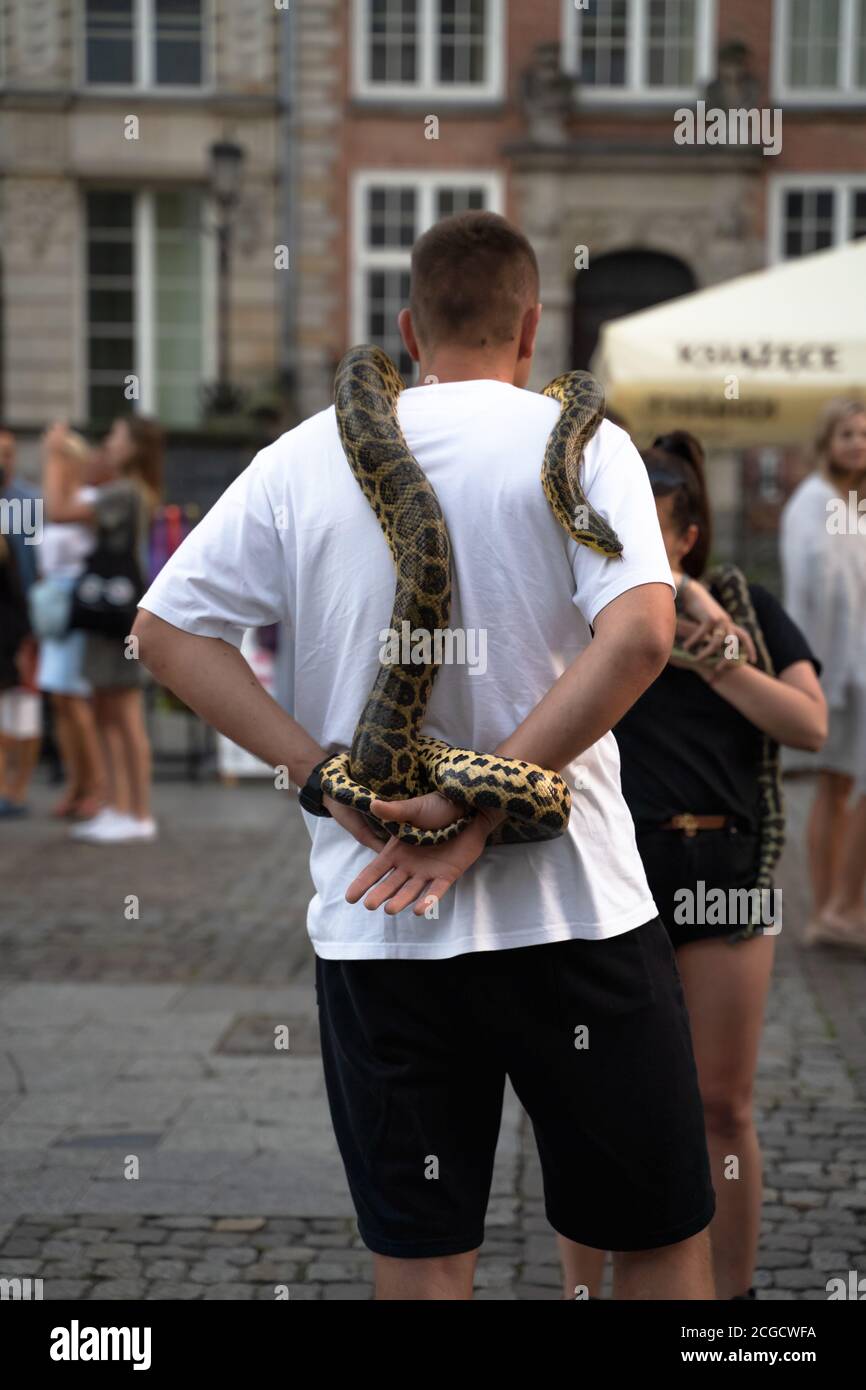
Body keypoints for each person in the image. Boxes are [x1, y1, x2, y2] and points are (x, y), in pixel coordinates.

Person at [133, 211, 717, 1301]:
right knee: (651, 1232)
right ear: (531, 327)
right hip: (575, 915)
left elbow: (164, 632)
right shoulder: (586, 445)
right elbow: (639, 635)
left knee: (420, 1254)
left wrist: (316, 771)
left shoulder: (300, 455)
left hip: (377, 920)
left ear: (406, 328)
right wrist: (484, 804)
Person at [558, 430, 826, 1303]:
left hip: (720, 870)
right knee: (590, 1106)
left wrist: (718, 650)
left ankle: (733, 1302)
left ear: (686, 536)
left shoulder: (745, 609)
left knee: (722, 1104)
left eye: (652, 529)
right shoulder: (589, 618)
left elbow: (809, 726)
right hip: (609, 879)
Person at [43, 416, 162, 844]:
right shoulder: (132, 491)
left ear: (133, 447)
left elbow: (57, 510)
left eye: (116, 436)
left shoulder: (124, 492)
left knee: (123, 714)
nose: (109, 443)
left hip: (114, 616)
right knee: (110, 712)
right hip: (113, 613)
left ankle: (137, 811)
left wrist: (55, 455)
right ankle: (119, 806)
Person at [780, 399, 866, 949]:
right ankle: (835, 907)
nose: (857, 443)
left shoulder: (854, 503)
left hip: (853, 668)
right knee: (837, 789)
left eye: (863, 434)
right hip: (840, 669)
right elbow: (818, 591)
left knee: (840, 788)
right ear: (827, 441)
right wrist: (819, 675)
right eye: (847, 434)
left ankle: (835, 909)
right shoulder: (813, 501)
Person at [36, 430, 106, 821]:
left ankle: (96, 785)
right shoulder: (58, 503)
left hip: (77, 604)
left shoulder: (89, 501)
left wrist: (53, 456)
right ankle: (77, 783)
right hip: (53, 604)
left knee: (77, 700)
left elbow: (59, 509)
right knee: (61, 699)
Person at [0, 429, 42, 814]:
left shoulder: (28, 501)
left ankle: (18, 788)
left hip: (21, 615)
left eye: (9, 453)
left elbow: (37, 562)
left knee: (24, 704)